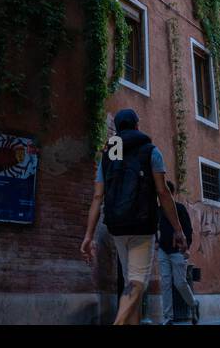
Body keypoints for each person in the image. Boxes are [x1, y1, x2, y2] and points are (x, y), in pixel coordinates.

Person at [81, 108, 186, 325]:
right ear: (136, 126)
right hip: (142, 226)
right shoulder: (150, 151)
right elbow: (163, 193)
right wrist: (178, 229)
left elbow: (97, 197)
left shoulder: (109, 154)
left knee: (131, 282)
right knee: (137, 283)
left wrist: (88, 236)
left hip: (117, 226)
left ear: (118, 128)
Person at [156, 181, 198, 324]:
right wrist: (157, 242)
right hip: (163, 250)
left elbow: (188, 230)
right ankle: (168, 317)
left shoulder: (180, 209)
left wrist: (186, 248)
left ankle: (193, 304)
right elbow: (156, 228)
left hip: (178, 251)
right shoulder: (159, 210)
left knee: (180, 283)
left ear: (171, 193)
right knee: (166, 283)